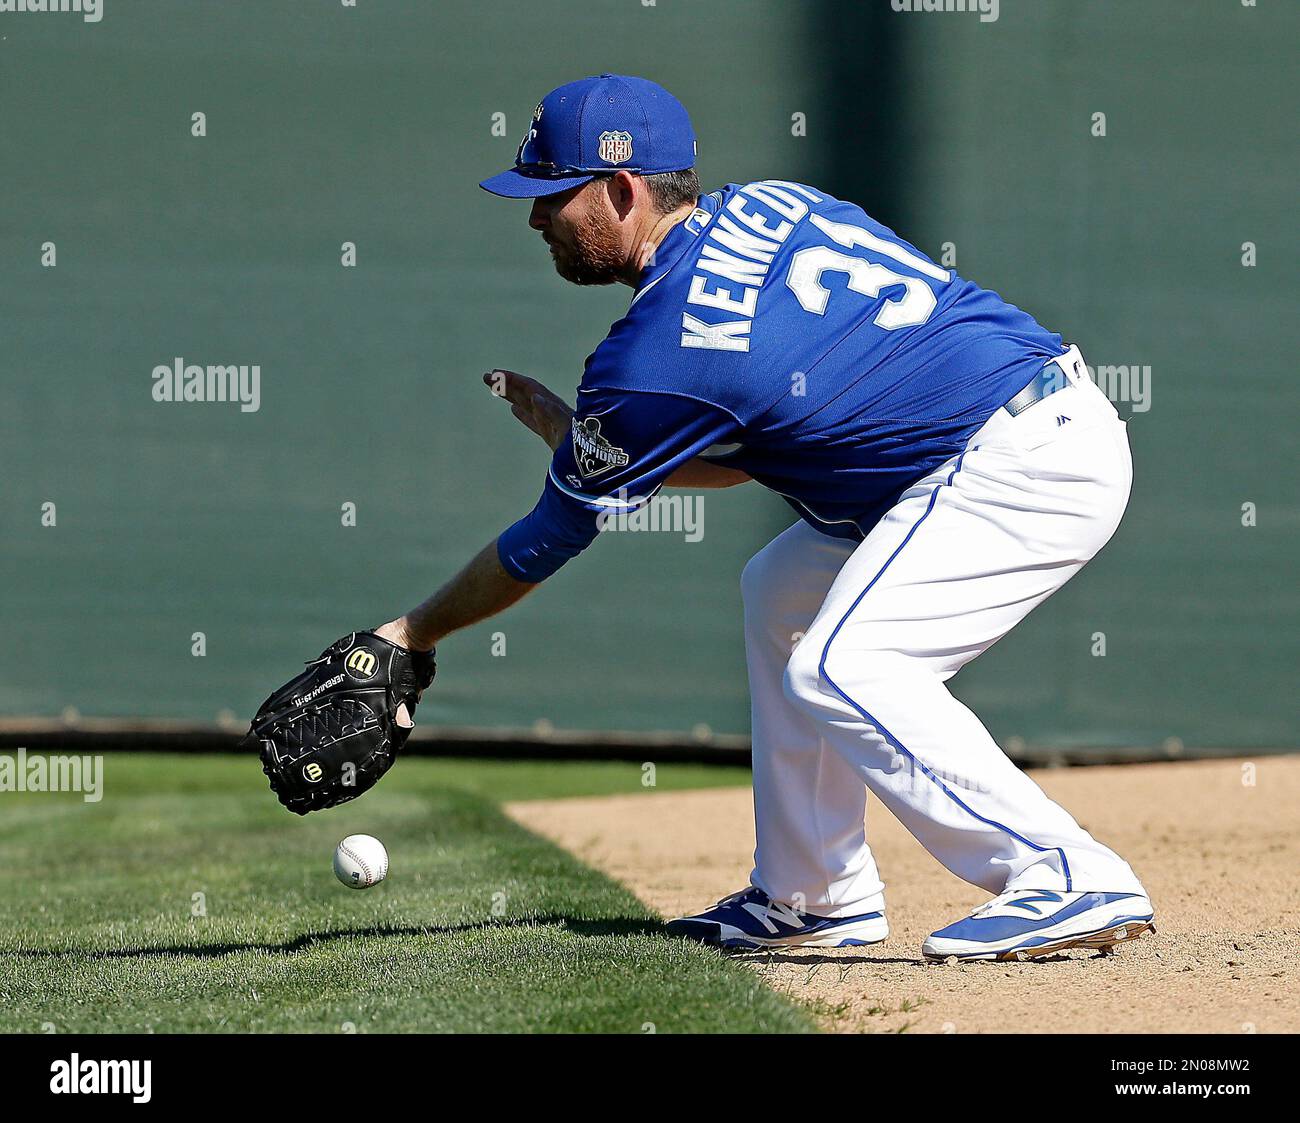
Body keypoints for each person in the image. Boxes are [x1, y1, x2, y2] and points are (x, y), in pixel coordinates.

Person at [375, 74, 1154, 962]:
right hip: (1011, 431)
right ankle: (814, 893)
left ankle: (1064, 871)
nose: (534, 218)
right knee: (780, 592)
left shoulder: (652, 355)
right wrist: (591, 443)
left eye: (551, 194)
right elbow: (747, 449)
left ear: (621, 191)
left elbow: (542, 542)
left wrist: (411, 632)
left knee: (844, 662)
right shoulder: (777, 202)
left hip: (1016, 464)